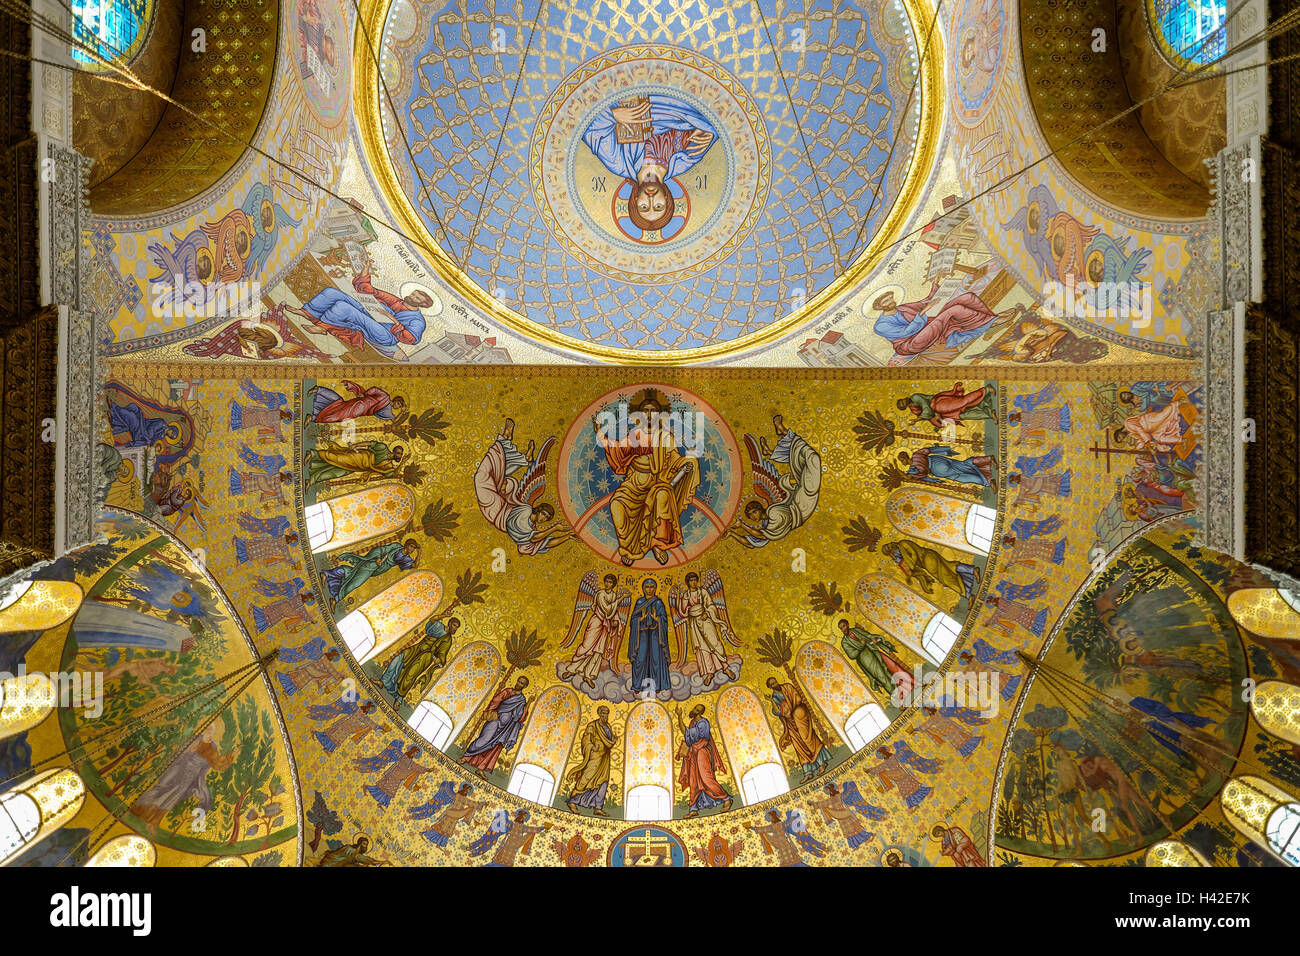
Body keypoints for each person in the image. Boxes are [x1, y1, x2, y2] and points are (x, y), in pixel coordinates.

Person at [581, 94, 715, 236]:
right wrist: (708, 131)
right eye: (658, 206)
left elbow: (590, 131)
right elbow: (710, 124)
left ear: (635, 200)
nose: (651, 200)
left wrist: (613, 114)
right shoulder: (684, 162)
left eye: (644, 207)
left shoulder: (618, 163)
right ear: (667, 199)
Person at [593, 389, 699, 566]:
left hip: (657, 481)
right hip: (633, 483)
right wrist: (600, 436)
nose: (649, 415)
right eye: (645, 411)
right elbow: (617, 450)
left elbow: (673, 460)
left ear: (660, 415)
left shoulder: (666, 437)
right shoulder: (635, 435)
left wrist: (687, 463)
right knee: (617, 504)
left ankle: (658, 544)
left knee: (662, 496)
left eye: (653, 412)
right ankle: (628, 548)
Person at [474, 418, 567, 555]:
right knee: (482, 477)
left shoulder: (531, 527)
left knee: (490, 476)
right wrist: (554, 528)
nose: (543, 519)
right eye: (544, 514)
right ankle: (505, 443)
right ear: (539, 509)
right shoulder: (526, 512)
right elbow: (536, 537)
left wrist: (568, 536)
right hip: (498, 508)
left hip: (497, 514)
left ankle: (515, 452)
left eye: (546, 518)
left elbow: (545, 542)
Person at [288, 273, 431, 359]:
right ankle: (307, 312)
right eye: (414, 293)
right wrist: (365, 270)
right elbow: (368, 290)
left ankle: (322, 327)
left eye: (417, 298)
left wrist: (392, 319)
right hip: (372, 315)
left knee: (343, 308)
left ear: (422, 305)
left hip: (386, 334)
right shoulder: (397, 301)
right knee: (332, 292)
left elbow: (411, 339)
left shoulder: (417, 320)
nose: (412, 296)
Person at [129, 721, 233, 826]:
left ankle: (153, 820)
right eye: (207, 729)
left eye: (211, 730)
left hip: (190, 775)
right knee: (162, 787)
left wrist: (229, 756)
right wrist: (194, 747)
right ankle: (138, 808)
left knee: (174, 796)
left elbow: (213, 763)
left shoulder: (213, 746)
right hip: (179, 767)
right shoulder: (195, 738)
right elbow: (181, 752)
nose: (209, 732)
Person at [870, 283, 1000, 357]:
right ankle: (988, 324)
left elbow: (924, 302)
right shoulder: (880, 325)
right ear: (879, 307)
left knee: (968, 297)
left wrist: (935, 285)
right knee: (954, 310)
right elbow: (906, 332)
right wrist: (923, 311)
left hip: (926, 326)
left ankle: (991, 317)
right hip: (911, 343)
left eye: (891, 298)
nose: (891, 301)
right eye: (886, 301)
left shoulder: (901, 308)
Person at [560, 575, 624, 687]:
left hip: (606, 626)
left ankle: (589, 675)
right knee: (586, 645)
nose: (608, 584)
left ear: (613, 584)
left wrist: (616, 621)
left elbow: (614, 612)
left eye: (610, 582)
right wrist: (620, 599)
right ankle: (572, 669)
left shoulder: (613, 595)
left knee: (598, 651)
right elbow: (607, 609)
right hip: (597, 621)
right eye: (606, 581)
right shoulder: (600, 594)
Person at [382, 617, 460, 706]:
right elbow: (430, 624)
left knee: (411, 674)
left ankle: (399, 699)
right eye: (454, 625)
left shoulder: (448, 640)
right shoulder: (438, 626)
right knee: (399, 658)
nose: (455, 628)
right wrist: (443, 615)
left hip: (426, 657)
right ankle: (383, 681)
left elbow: (443, 653)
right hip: (419, 647)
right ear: (449, 623)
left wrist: (440, 659)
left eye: (457, 627)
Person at [766, 676, 832, 781]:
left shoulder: (787, 687)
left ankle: (822, 763)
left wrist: (792, 710)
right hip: (790, 723)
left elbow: (798, 698)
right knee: (799, 746)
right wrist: (771, 701)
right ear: (770, 687)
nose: (775, 684)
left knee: (808, 739)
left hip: (799, 715)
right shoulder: (774, 697)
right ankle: (808, 772)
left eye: (775, 682)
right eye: (772, 684)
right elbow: (778, 712)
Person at [462, 676, 529, 777]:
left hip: (506, 728)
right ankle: (466, 757)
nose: (518, 684)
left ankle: (481, 768)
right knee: (484, 739)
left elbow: (520, 717)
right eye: (518, 681)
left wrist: (528, 704)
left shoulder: (522, 700)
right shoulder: (507, 692)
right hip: (495, 720)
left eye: (522, 683)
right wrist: (491, 711)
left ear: (525, 686)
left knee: (494, 748)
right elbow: (496, 700)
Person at [673, 572, 733, 685]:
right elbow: (683, 612)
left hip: (706, 620)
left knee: (714, 643)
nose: (694, 582)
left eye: (695, 580)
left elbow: (711, 605)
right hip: (694, 623)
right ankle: (710, 672)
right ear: (687, 582)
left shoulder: (703, 592)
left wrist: (707, 612)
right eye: (691, 581)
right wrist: (679, 598)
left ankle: (725, 667)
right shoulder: (686, 595)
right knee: (702, 648)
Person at [838, 618, 914, 703]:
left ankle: (912, 683)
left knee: (893, 666)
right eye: (841, 628)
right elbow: (852, 655)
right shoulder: (844, 642)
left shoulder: (856, 631)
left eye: (844, 626)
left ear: (848, 625)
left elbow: (867, 636)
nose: (843, 629)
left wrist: (875, 638)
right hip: (866, 660)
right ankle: (899, 699)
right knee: (882, 677)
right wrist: (861, 645)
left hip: (874, 652)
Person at [676, 704, 732, 817]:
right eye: (695, 708)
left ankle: (726, 798)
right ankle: (693, 808)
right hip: (693, 754)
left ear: (700, 712)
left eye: (697, 709)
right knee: (693, 781)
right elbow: (686, 733)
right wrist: (679, 716)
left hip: (702, 752)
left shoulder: (703, 723)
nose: (694, 710)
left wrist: (693, 742)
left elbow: (699, 737)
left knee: (706, 778)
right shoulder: (693, 723)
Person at [566, 706, 614, 816]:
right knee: (587, 777)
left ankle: (597, 806)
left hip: (605, 757)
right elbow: (586, 738)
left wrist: (613, 741)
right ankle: (572, 801)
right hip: (595, 756)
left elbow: (610, 741)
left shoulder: (608, 726)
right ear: (599, 713)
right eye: (603, 713)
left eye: (607, 713)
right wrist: (591, 746)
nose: (605, 715)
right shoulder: (593, 725)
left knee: (603, 781)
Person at [630, 577, 671, 695]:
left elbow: (664, 619)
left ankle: (657, 684)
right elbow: (633, 620)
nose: (649, 589)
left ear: (655, 588)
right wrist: (639, 620)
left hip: (655, 634)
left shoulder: (658, 602)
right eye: (647, 587)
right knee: (640, 659)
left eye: (652, 587)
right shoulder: (639, 602)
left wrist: (657, 619)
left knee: (656, 659)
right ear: (643, 588)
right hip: (641, 634)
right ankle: (637, 685)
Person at [900, 445, 996, 489]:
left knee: (963, 477)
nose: (902, 463)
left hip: (936, 469)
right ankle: (988, 460)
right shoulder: (916, 454)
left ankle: (988, 480)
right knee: (964, 466)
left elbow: (908, 476)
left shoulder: (912, 468)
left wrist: (896, 468)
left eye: (901, 460)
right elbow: (929, 450)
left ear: (904, 458)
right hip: (937, 460)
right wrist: (944, 450)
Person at [311, 381, 406, 423]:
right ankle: (315, 415)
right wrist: (365, 394)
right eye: (398, 404)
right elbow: (375, 389)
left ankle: (316, 410)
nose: (398, 406)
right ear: (396, 400)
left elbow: (394, 420)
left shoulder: (388, 411)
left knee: (341, 408)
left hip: (362, 409)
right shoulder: (386, 397)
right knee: (341, 414)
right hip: (361, 405)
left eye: (399, 406)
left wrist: (402, 412)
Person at [317, 835, 390, 867]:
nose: (365, 846)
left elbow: (336, 852)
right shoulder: (356, 855)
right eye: (364, 844)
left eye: (366, 845)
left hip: (329, 862)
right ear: (360, 843)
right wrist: (384, 862)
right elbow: (371, 861)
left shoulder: (348, 846)